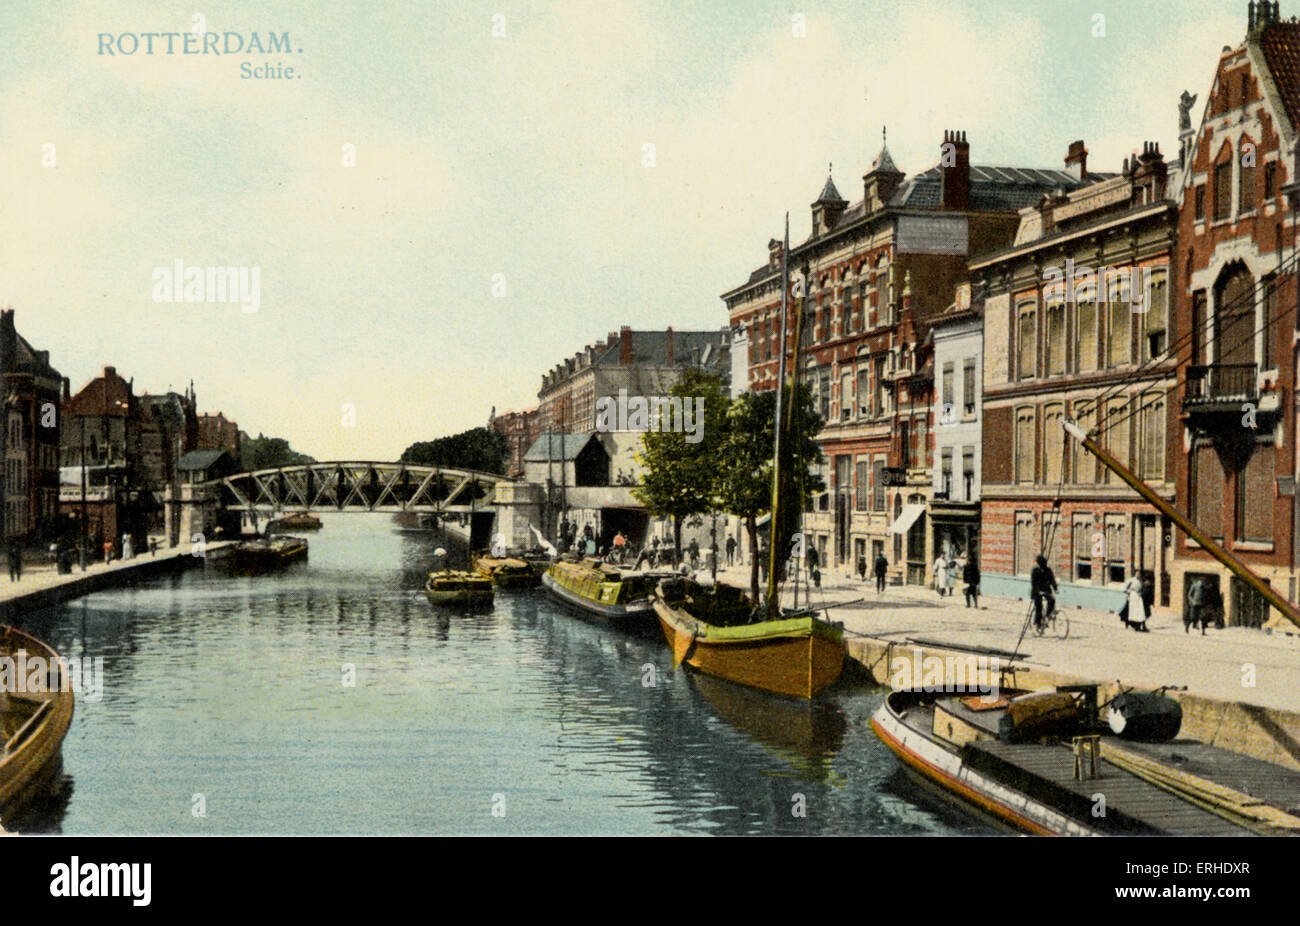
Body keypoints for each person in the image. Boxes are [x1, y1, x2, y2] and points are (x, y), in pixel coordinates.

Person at [1029, 554, 1057, 631]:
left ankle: (1047, 616)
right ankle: (1038, 623)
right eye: (1042, 563)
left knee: (1052, 600)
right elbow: (1034, 583)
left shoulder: (1048, 570)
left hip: (1046, 590)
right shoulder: (1035, 571)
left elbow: (1052, 580)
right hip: (1037, 592)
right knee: (1039, 606)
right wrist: (1038, 590)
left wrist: (1055, 587)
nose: (1044, 565)